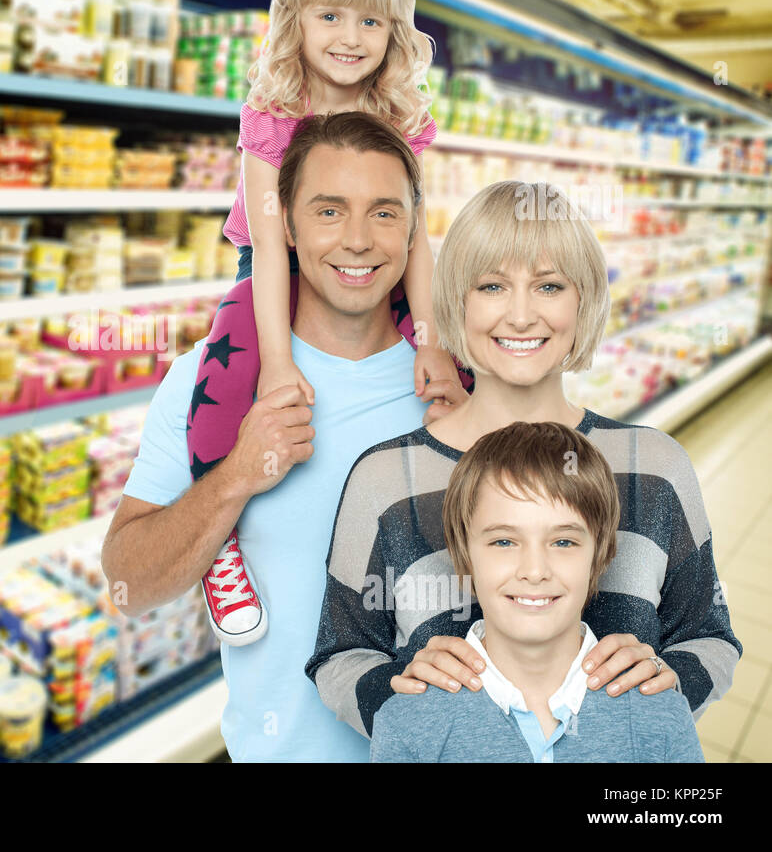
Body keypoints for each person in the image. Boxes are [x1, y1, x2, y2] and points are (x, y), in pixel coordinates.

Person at [307, 181, 741, 739]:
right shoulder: (387, 479)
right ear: (456, 303)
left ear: (582, 300)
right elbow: (340, 655)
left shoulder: (654, 467)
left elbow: (709, 637)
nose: (519, 315)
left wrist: (668, 680)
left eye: (549, 285)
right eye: (491, 286)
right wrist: (398, 690)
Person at [103, 111, 453, 762]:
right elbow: (130, 581)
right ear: (285, 225)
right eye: (328, 211)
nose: (357, 240)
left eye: (383, 212)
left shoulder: (457, 388)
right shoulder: (206, 381)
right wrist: (235, 475)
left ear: (413, 227)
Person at [188, 0, 469, 647]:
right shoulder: (272, 115)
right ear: (297, 21)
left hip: (374, 264)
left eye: (371, 20)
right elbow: (271, 244)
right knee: (225, 368)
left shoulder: (399, 119)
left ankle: (471, 518)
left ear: (394, 32)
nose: (351, 36)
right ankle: (220, 542)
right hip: (273, 262)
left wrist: (432, 338)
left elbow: (414, 235)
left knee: (463, 365)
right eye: (331, 16)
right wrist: (278, 362)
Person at [370, 421, 705, 762]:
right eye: (503, 541)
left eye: (563, 541)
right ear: (463, 552)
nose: (534, 571)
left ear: (600, 553)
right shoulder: (406, 724)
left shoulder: (663, 717)